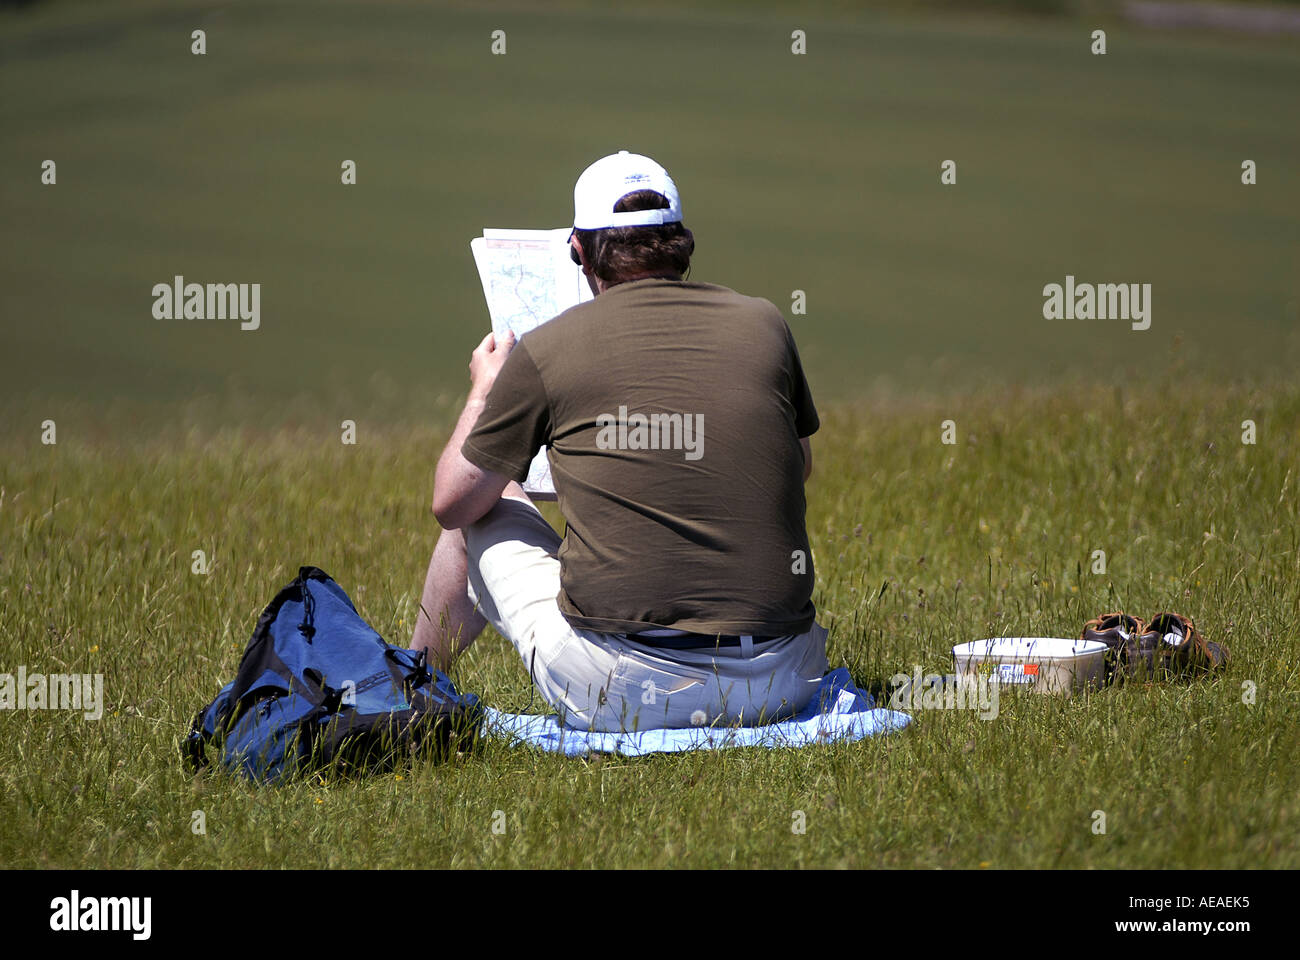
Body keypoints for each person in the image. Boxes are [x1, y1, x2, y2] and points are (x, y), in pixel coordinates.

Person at [411, 150, 828, 732]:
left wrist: (485, 389)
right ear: (682, 242)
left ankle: (407, 690)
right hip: (784, 679)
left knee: (484, 503)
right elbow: (797, 462)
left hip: (625, 690)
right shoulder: (765, 324)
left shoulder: (548, 346)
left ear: (579, 252)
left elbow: (451, 502)